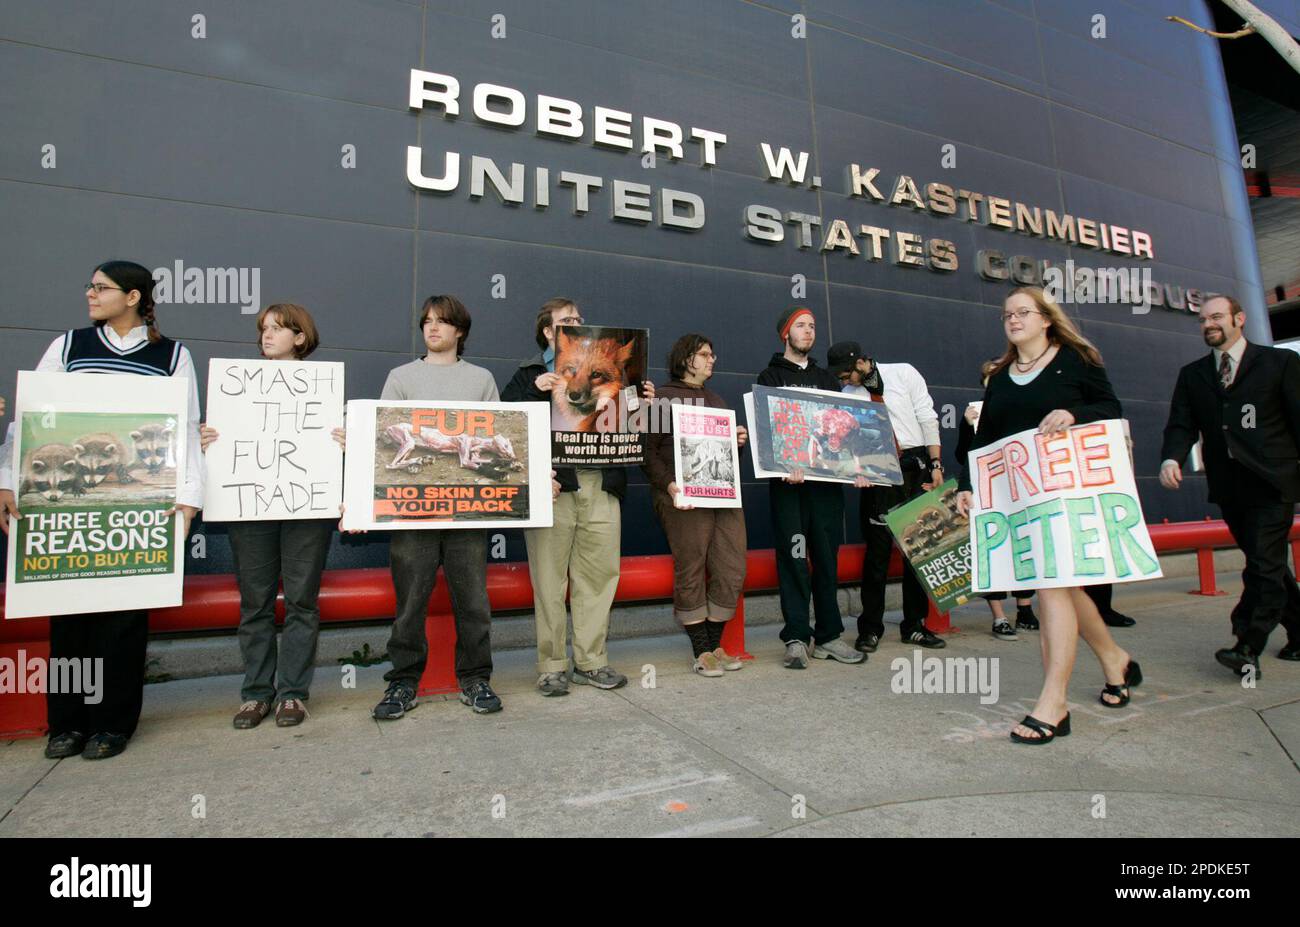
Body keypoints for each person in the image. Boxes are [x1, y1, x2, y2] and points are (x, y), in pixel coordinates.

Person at [0, 261, 203, 760]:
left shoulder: (171, 355)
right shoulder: (68, 347)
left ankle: (113, 723)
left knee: (123, 617)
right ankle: (66, 723)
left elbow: (189, 427)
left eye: (101, 287)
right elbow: (30, 416)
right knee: (69, 619)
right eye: (89, 286)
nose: (90, 294)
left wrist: (189, 498)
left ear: (132, 296)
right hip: (67, 507)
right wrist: (9, 480)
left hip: (136, 507)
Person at [956, 286, 1140, 745]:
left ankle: (1053, 704)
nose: (1014, 319)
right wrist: (967, 485)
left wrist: (1072, 413)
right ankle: (1114, 659)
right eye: (1007, 314)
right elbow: (985, 440)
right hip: (1022, 500)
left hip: (1069, 493)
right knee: (1063, 587)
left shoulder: (1076, 360)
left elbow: (1111, 409)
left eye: (1023, 312)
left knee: (1052, 588)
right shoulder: (998, 377)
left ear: (1045, 318)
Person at [502, 298, 654, 696]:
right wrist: (537, 393)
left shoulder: (612, 369)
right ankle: (552, 665)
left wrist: (642, 401)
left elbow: (628, 427)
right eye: (566, 321)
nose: (576, 324)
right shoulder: (529, 374)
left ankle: (591, 661)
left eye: (579, 319)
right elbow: (505, 430)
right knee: (550, 580)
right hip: (552, 488)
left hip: (602, 483)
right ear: (549, 332)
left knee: (599, 576)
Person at [199, 304, 336, 729]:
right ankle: (256, 694)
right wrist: (208, 440)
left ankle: (293, 693)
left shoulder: (324, 388)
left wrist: (344, 441)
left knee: (301, 601)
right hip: (250, 508)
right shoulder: (235, 388)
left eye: (278, 329)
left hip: (306, 508)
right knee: (255, 602)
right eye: (263, 329)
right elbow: (219, 446)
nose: (267, 336)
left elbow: (336, 448)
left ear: (300, 337)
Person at [370, 294, 503, 720]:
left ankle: (476, 678)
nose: (433, 328)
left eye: (443, 322)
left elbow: (501, 437)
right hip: (412, 510)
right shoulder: (401, 377)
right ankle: (403, 683)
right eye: (427, 321)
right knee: (410, 601)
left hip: (469, 510)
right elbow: (381, 440)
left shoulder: (481, 380)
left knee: (473, 600)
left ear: (459, 331)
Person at [1160, 294, 1300, 676]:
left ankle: (1247, 644)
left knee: (1262, 564)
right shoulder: (1193, 374)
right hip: (1229, 487)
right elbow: (1181, 423)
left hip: (1273, 482)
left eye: (1217, 317)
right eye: (1204, 319)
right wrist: (1171, 457)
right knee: (1267, 564)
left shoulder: (1281, 362)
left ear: (1239, 319)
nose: (1209, 324)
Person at [757, 308, 864, 668]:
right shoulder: (769, 376)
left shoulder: (827, 379)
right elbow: (767, 430)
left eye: (813, 326)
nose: (808, 332)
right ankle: (797, 637)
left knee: (827, 561)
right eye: (801, 326)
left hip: (826, 488)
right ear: (785, 333)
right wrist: (784, 464)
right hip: (789, 486)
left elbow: (846, 431)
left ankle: (830, 636)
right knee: (794, 560)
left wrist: (856, 469)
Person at [828, 341, 946, 652]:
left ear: (862, 362)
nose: (845, 380)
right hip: (877, 469)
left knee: (919, 551)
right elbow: (847, 440)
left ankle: (915, 625)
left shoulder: (903, 373)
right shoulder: (848, 395)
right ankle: (870, 628)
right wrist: (856, 469)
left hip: (916, 462)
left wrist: (935, 464)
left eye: (847, 374)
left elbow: (927, 417)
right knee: (876, 555)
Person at [643, 333, 748, 676]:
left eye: (712, 353)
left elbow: (722, 455)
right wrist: (670, 486)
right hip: (680, 496)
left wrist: (737, 442)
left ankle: (715, 645)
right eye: (704, 354)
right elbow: (647, 452)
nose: (712, 359)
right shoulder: (660, 398)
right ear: (686, 359)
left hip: (721, 494)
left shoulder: (716, 400)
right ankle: (702, 651)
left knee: (731, 567)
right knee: (691, 566)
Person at [956, 384, 1039, 640]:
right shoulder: (978, 413)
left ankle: (1025, 611)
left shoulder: (1024, 410)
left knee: (1025, 544)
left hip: (1019, 486)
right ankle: (999, 617)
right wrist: (965, 426)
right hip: (988, 489)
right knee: (993, 549)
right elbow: (964, 456)